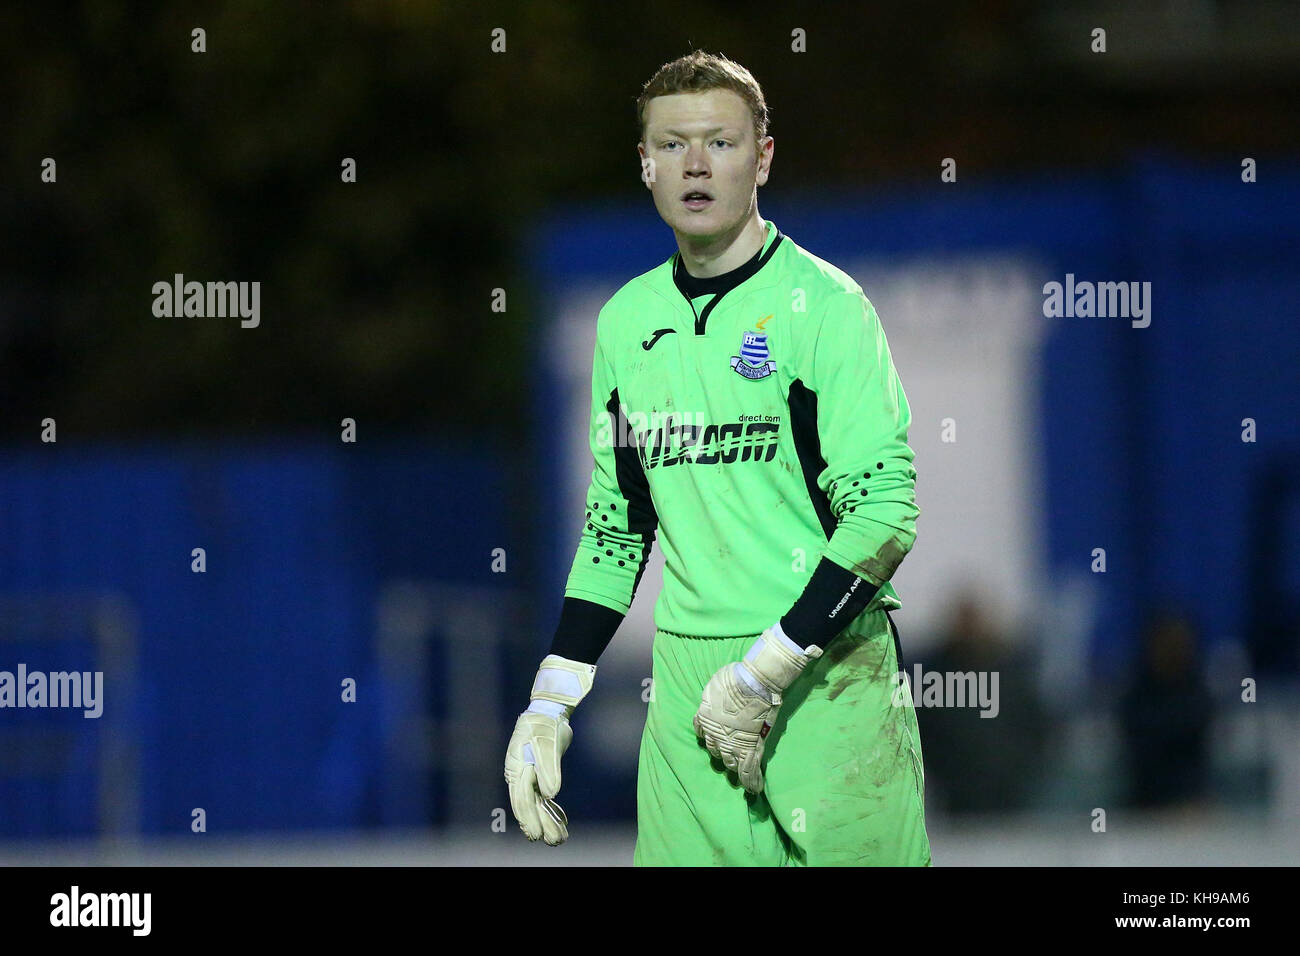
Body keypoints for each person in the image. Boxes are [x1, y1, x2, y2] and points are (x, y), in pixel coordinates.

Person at [504, 50, 930, 866]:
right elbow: (616, 528)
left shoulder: (828, 309)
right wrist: (550, 701)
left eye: (721, 143)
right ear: (644, 164)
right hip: (686, 688)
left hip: (827, 671)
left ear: (762, 157)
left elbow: (884, 515)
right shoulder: (626, 322)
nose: (695, 165)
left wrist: (763, 673)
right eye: (672, 145)